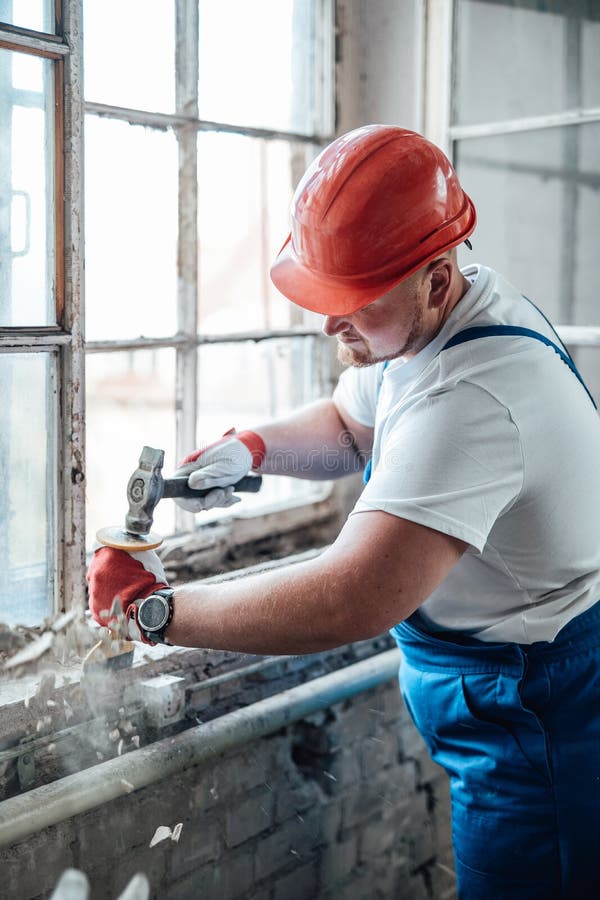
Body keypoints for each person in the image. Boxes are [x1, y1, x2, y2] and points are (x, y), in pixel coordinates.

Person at [87, 125, 600, 899]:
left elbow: (352, 596)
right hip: (509, 697)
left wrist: (156, 612)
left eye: (352, 303)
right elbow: (351, 423)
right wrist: (254, 447)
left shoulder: (474, 399)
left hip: (547, 725)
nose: (329, 325)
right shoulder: (444, 315)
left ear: (433, 278)